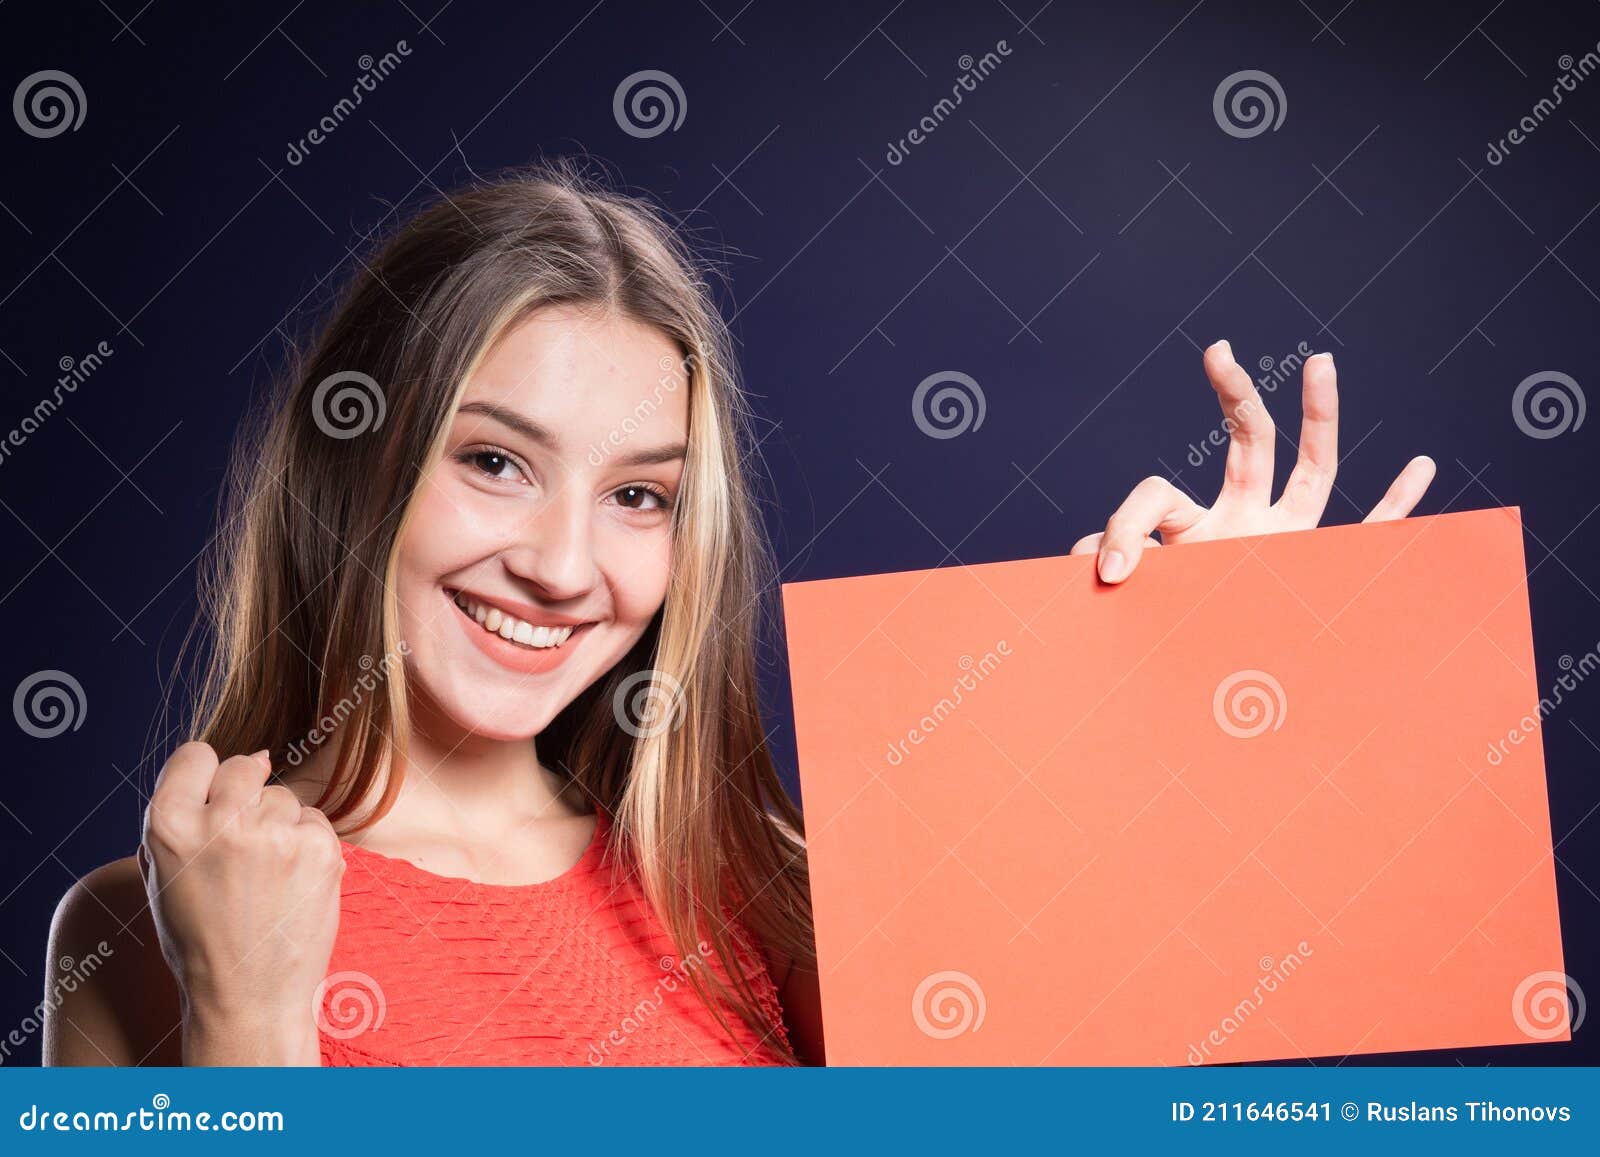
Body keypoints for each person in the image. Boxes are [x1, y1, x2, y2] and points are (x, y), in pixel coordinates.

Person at [41, 162, 1434, 1067]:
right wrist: (251, 1012)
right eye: (494, 463)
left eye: (641, 497)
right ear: (358, 463)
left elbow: (1124, 1061)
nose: (563, 565)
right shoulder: (150, 927)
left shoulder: (760, 884)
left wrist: (1213, 685)